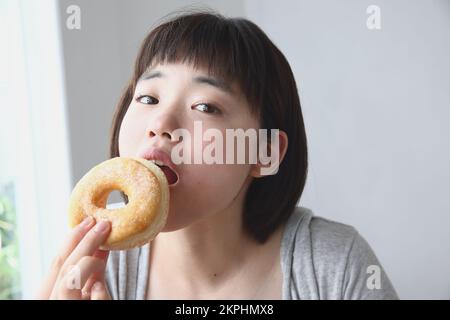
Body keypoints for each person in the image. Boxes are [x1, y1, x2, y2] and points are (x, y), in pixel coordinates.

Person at [38, 10, 398, 300]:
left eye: (205, 106)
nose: (161, 123)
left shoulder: (334, 265)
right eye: (148, 98)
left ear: (264, 152)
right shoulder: (98, 267)